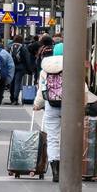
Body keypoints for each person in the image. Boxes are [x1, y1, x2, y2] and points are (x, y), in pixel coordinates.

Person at [35, 43, 65, 182]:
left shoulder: (45, 69)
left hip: (51, 107)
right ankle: (69, 168)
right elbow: (82, 89)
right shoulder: (72, 66)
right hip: (70, 108)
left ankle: (55, 172)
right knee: (70, 138)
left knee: (53, 138)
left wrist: (37, 105)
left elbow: (42, 90)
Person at [7, 36, 33, 105]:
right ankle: (16, 99)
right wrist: (29, 69)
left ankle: (12, 98)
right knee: (17, 82)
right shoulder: (23, 48)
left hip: (11, 67)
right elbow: (27, 59)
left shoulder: (9, 47)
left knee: (11, 82)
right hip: (21, 67)